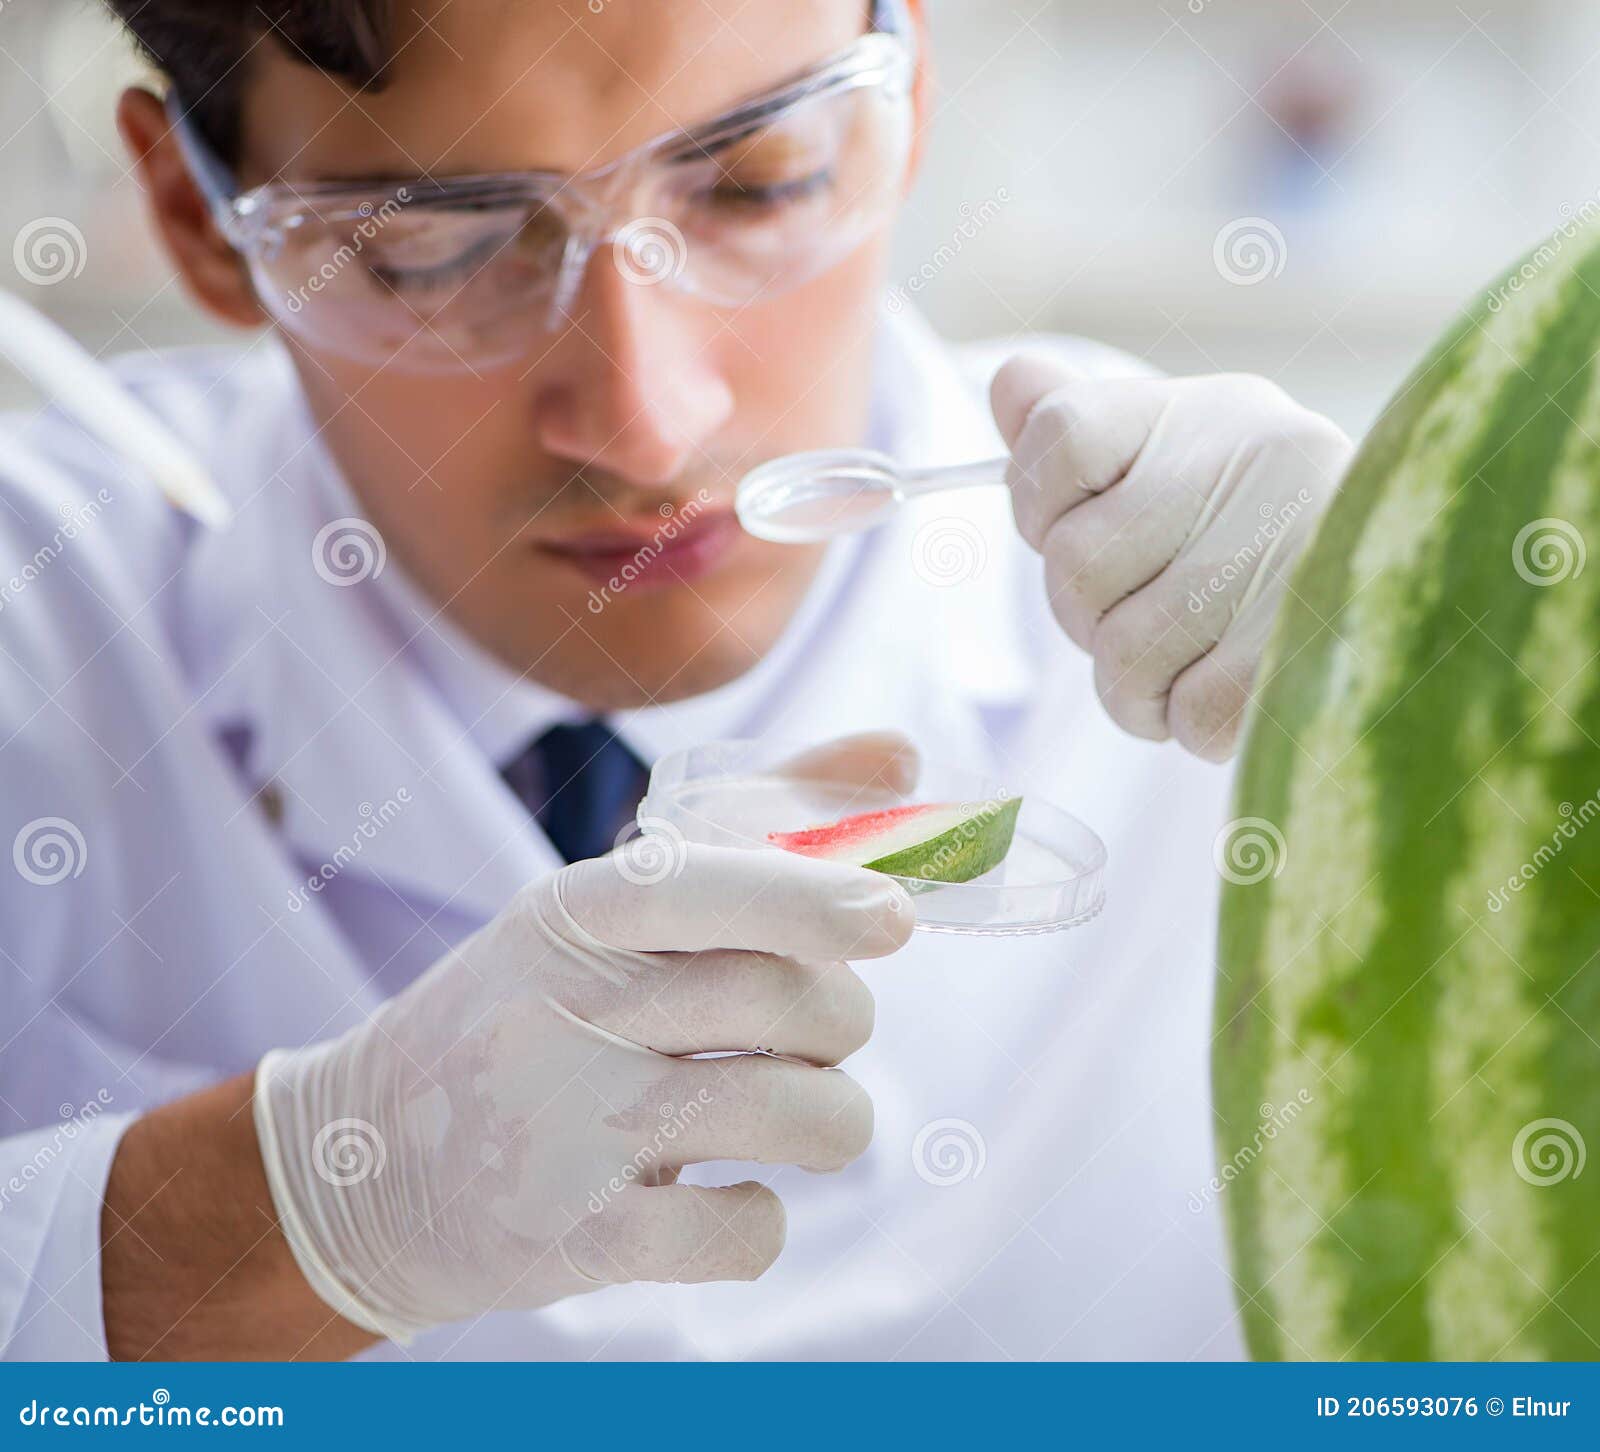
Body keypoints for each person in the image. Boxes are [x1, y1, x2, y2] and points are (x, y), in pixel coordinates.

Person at [0, 0, 1352, 1360]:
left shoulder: (1243, 588)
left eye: (757, 183)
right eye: (432, 250)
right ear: (191, 210)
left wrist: (1478, 667)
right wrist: (303, 1204)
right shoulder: (43, 628)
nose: (648, 424)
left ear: (912, 96)